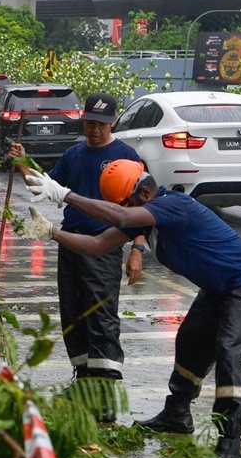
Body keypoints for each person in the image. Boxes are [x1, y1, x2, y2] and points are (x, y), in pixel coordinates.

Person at [19, 160, 241, 458]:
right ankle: (177, 414)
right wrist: (52, 232)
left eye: (123, 204)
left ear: (143, 193)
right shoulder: (141, 214)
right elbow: (98, 246)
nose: (121, 212)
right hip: (218, 286)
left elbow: (124, 216)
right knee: (189, 343)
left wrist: (65, 195)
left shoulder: (174, 205)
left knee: (228, 351)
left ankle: (230, 451)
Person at [8, 92, 146, 422]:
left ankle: (105, 394)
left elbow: (142, 209)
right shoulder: (73, 155)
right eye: (89, 123)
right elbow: (44, 187)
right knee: (74, 313)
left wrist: (137, 250)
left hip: (105, 245)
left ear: (112, 122)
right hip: (72, 243)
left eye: (100, 124)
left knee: (101, 317)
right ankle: (84, 383)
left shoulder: (126, 156)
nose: (94, 130)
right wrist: (22, 162)